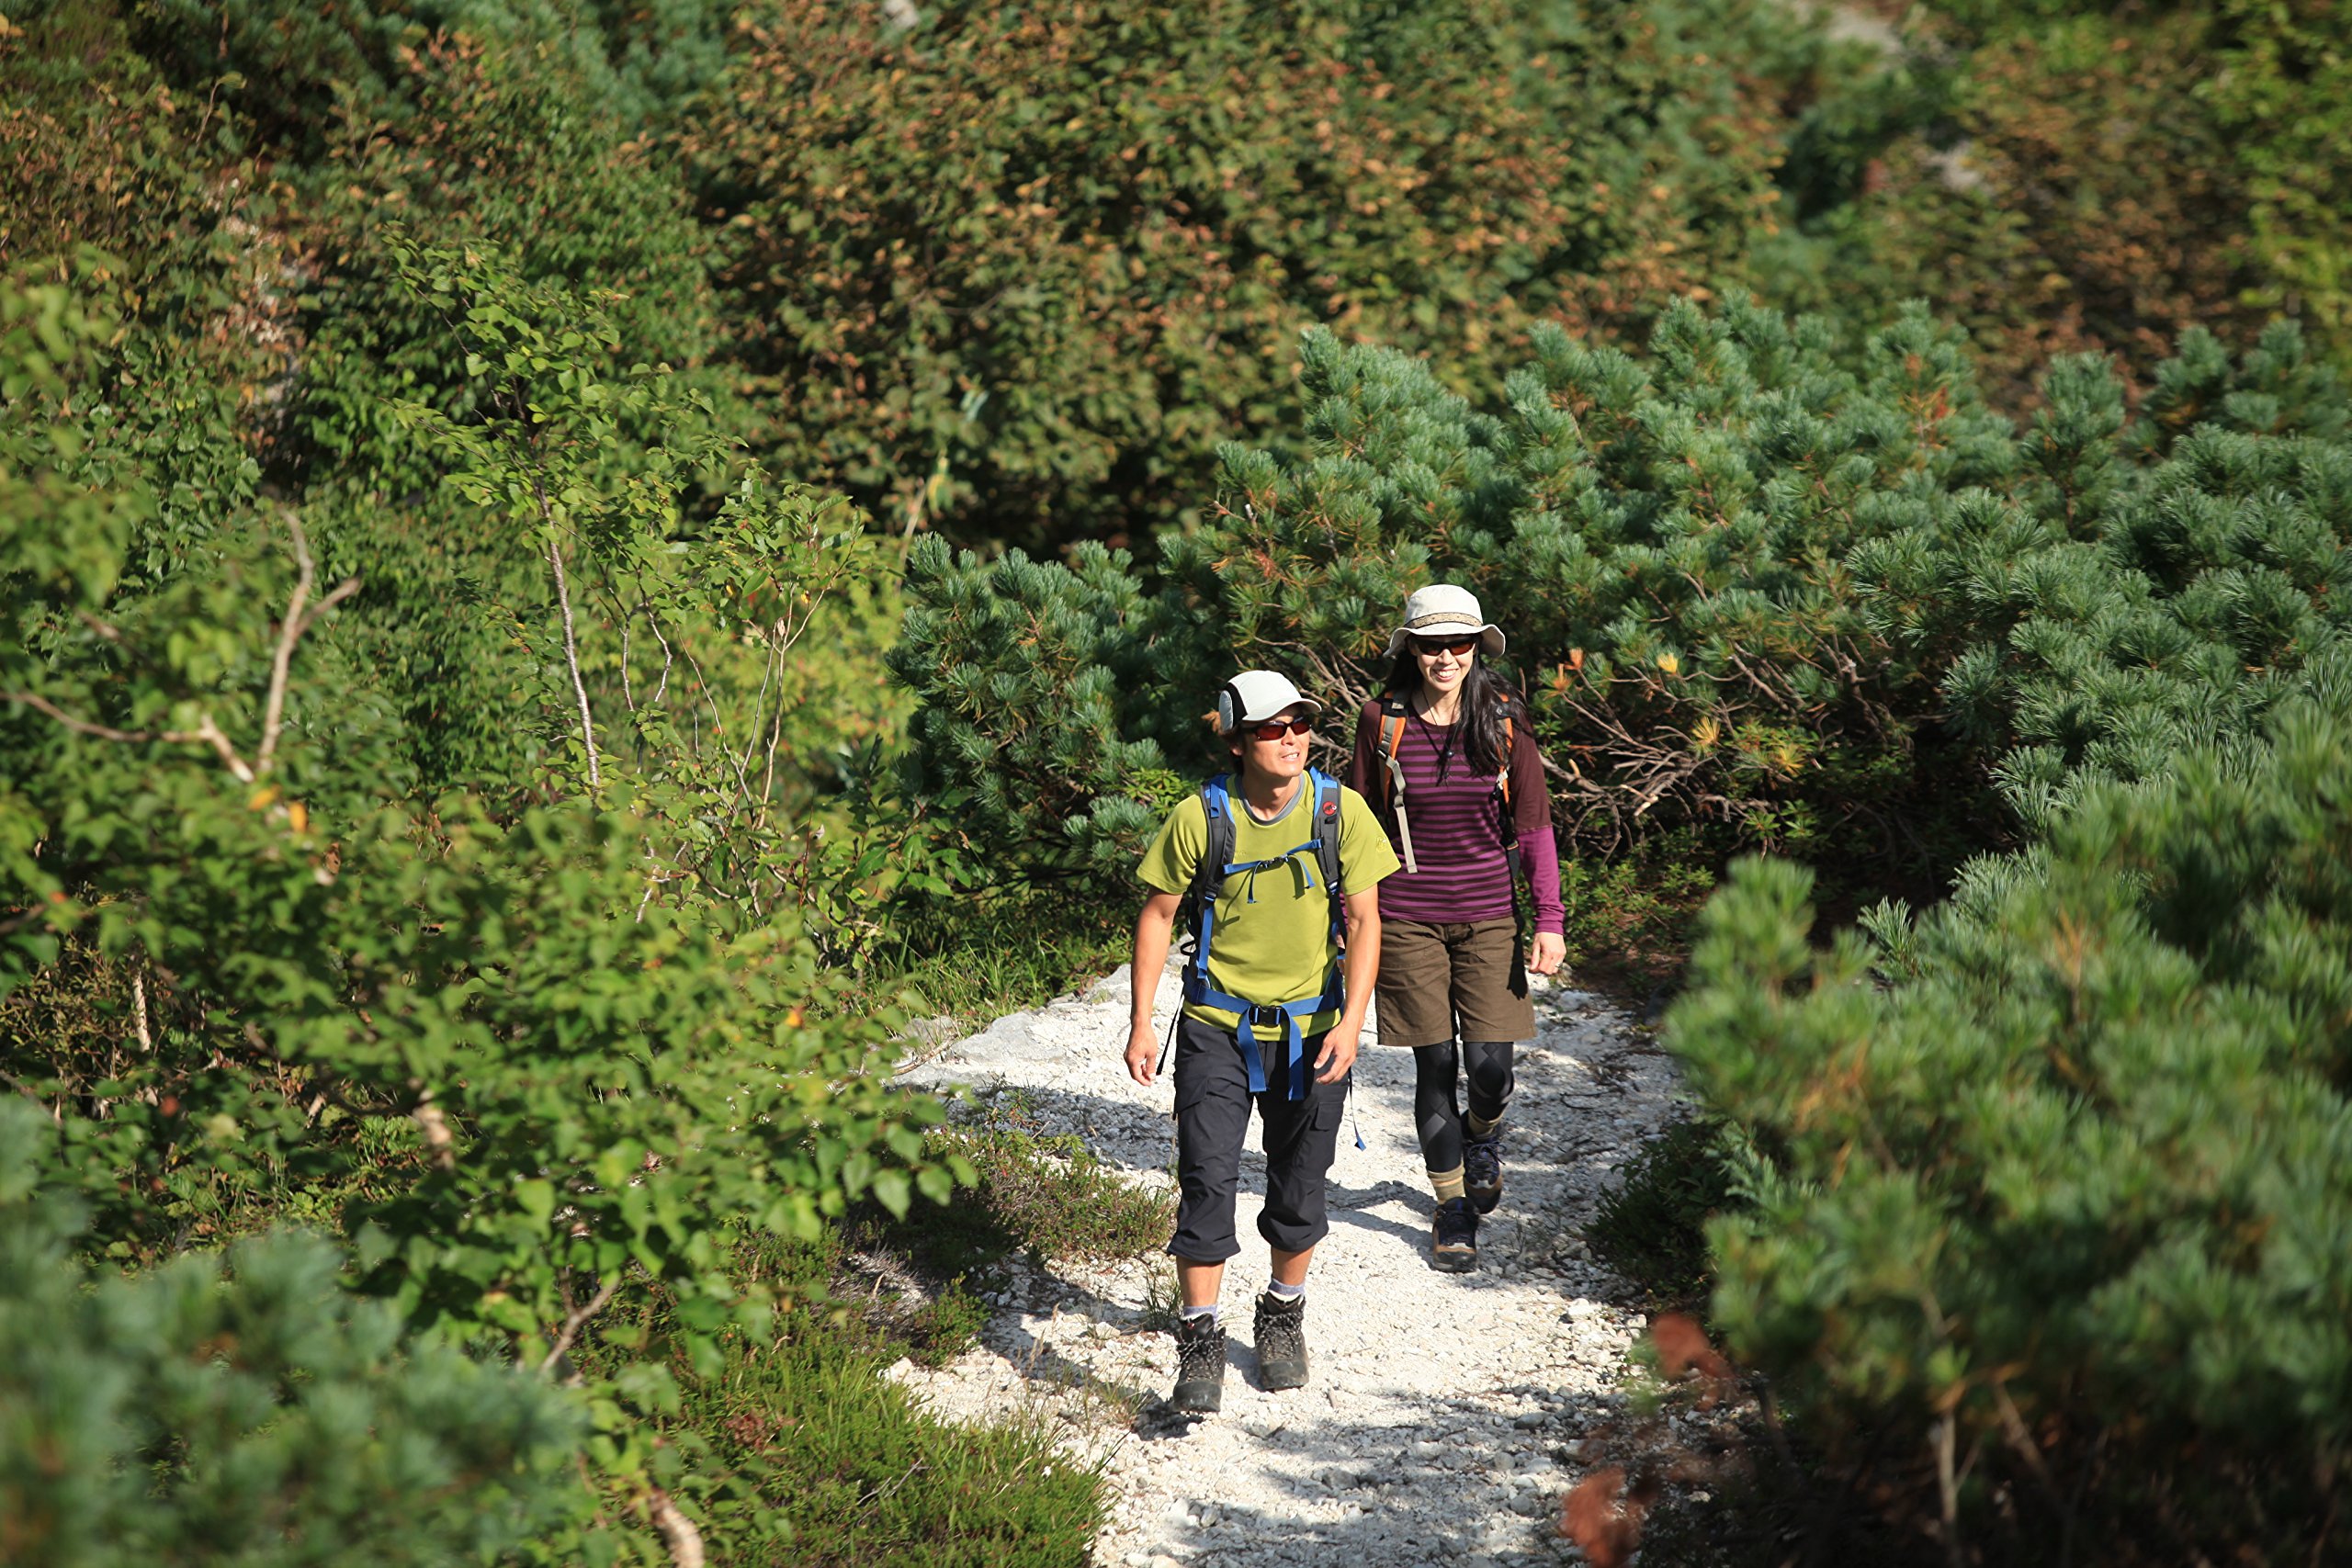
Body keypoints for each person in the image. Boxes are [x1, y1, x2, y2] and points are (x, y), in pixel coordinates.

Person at [1125, 669, 1399, 1415]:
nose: (1292, 739)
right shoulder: (1200, 816)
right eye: (1274, 728)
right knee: (1208, 1180)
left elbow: (1369, 921)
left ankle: (1282, 1314)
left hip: (1315, 1028)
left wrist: (1351, 1023)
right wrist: (1141, 1017)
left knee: (1301, 1182)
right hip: (1216, 1026)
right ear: (1240, 739)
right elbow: (1158, 912)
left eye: (1301, 725)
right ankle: (1199, 1336)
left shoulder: (1340, 811)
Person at [1347, 584, 1565, 1272]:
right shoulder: (1381, 721)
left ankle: (1482, 1134)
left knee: (1491, 1071)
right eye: (1432, 643)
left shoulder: (1504, 717)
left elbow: (1532, 825)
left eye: (1459, 643)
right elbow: (1356, 826)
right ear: (1410, 647)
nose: (1446, 656)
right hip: (1404, 916)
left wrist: (1550, 918)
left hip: (1491, 917)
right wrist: (1346, 919)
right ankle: (1451, 1209)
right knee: (1435, 1064)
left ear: (1477, 647)